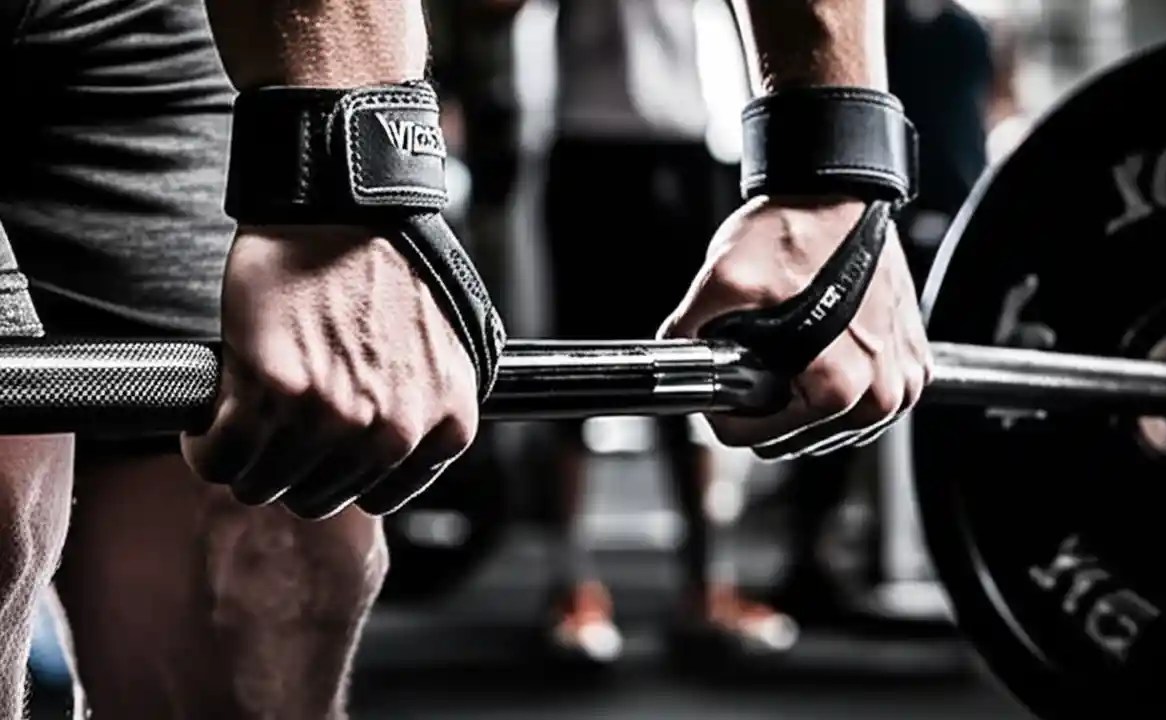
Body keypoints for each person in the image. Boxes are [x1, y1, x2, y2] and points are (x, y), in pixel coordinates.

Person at [0, 0, 929, 718]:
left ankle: (698, 584)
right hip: (445, 101)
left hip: (173, 23)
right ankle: (577, 580)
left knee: (273, 547)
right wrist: (344, 178)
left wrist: (831, 161)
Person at [533, 0, 800, 665]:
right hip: (591, 142)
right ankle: (572, 586)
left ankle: (708, 587)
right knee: (575, 371)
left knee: (706, 365)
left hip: (698, 138)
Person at [768, 0, 993, 626]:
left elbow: (986, 111)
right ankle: (808, 558)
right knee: (839, 388)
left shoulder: (968, 31)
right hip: (875, 221)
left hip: (956, 226)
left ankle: (960, 560)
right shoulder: (870, 26)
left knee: (950, 399)